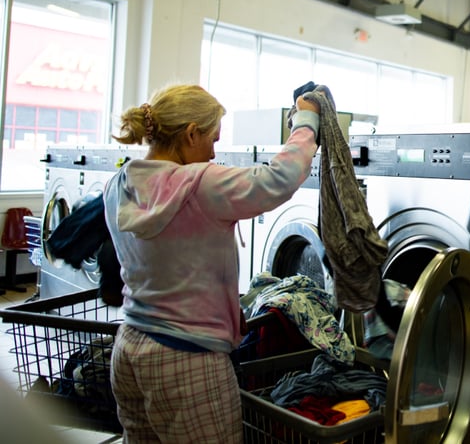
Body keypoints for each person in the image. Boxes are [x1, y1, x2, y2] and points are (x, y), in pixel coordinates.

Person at [103, 83, 320, 442]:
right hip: (187, 359)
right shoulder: (200, 183)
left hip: (129, 346)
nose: (213, 152)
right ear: (190, 134)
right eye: (211, 140)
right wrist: (306, 120)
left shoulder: (119, 183)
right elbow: (278, 179)